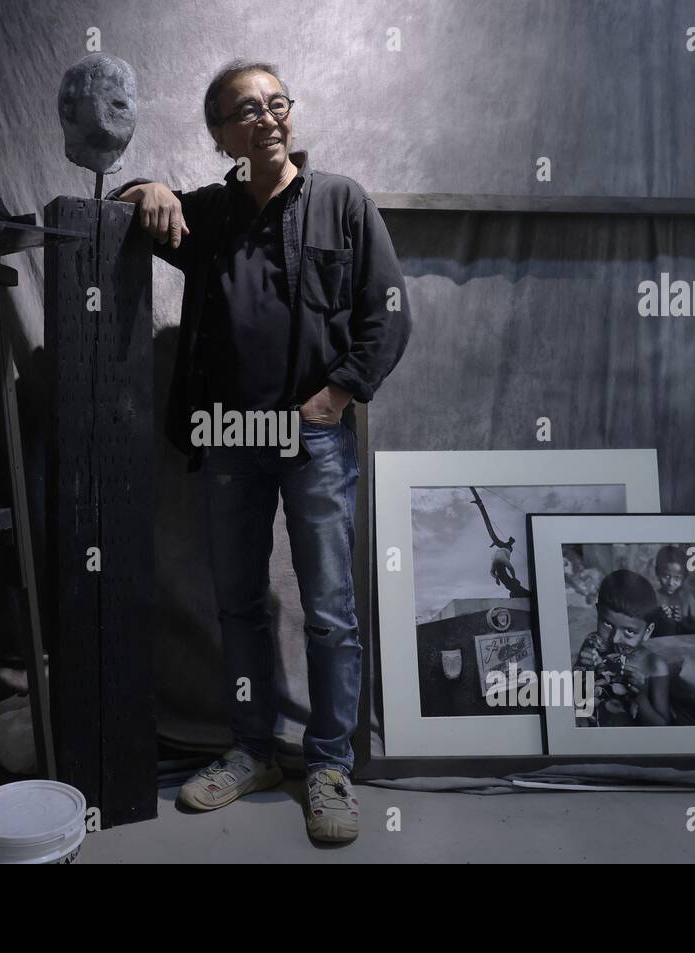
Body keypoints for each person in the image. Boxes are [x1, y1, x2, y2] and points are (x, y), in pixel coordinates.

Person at [108, 59, 411, 842]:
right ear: (219, 135)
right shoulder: (207, 214)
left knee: (331, 612)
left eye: (278, 103)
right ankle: (250, 750)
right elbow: (117, 209)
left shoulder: (342, 202)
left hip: (312, 437)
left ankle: (329, 764)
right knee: (237, 604)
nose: (269, 117)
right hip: (232, 438)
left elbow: (390, 313)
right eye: (247, 109)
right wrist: (146, 186)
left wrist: (335, 394)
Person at [572, 570, 672, 727]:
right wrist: (584, 669)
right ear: (598, 612)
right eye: (607, 624)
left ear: (648, 631)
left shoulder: (655, 666)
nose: (615, 638)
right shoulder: (593, 644)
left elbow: (664, 728)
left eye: (629, 631)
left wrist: (640, 697)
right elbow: (577, 704)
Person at [650, 544, 695, 636]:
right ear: (657, 572)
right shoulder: (652, 596)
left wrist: (682, 621)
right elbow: (643, 629)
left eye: (677, 578)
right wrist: (658, 619)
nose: (671, 583)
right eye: (666, 576)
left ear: (684, 576)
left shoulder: (688, 599)